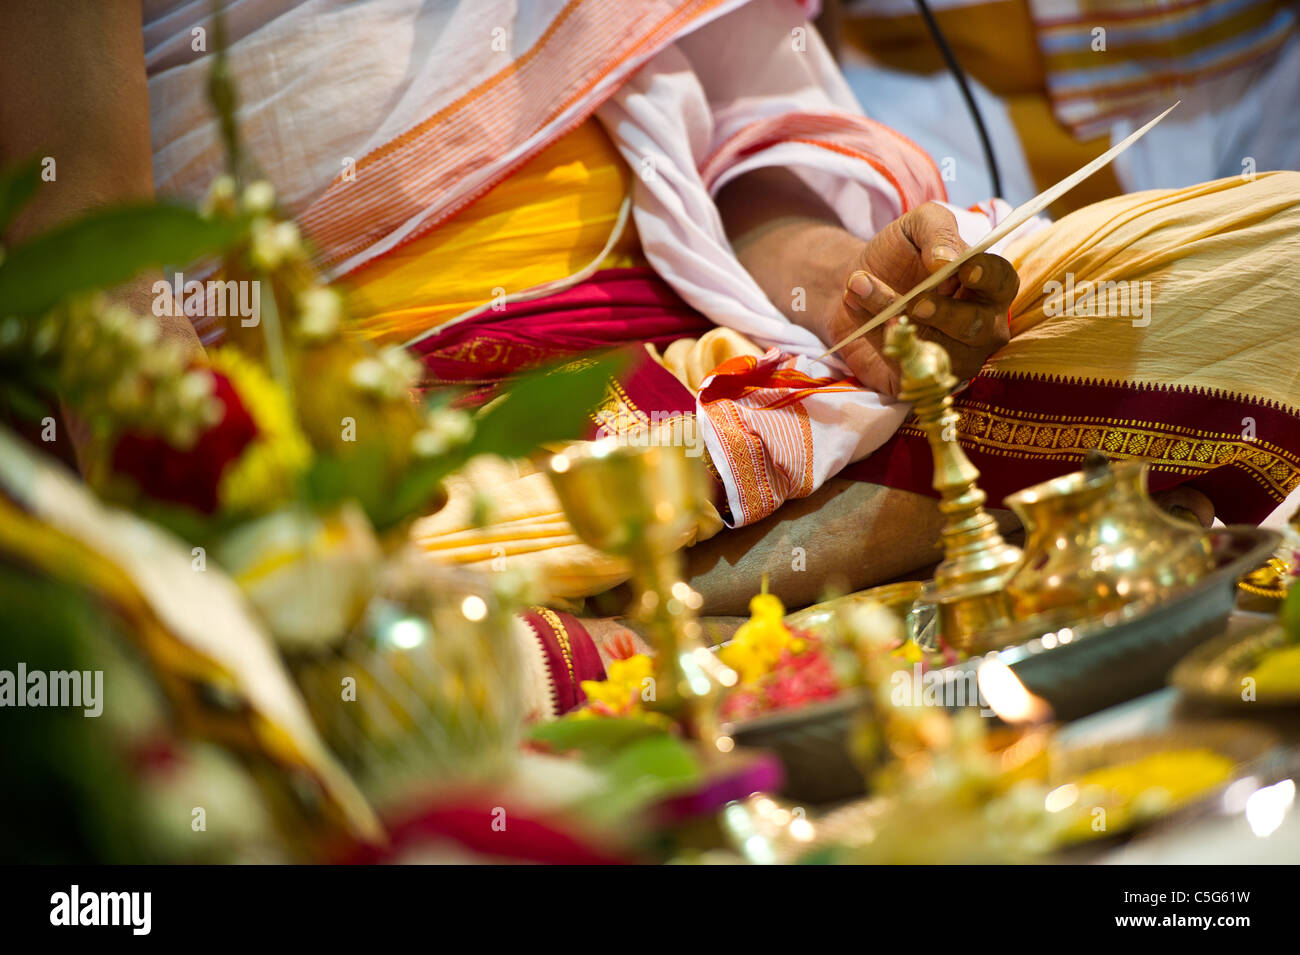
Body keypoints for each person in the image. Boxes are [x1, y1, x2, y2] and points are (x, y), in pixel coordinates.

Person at [4, 0, 1298, 638]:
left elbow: (733, 169)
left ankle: (618, 615)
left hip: (735, 375)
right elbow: (81, 250)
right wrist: (231, 531)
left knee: (1274, 265)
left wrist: (859, 292)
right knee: (295, 612)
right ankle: (727, 579)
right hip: (403, 451)